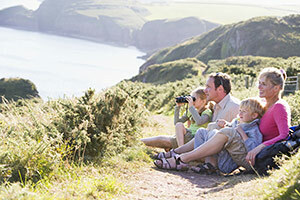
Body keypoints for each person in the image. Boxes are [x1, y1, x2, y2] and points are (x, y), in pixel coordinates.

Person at [153, 67, 290, 173]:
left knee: (228, 132)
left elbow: (284, 135)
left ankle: (181, 159)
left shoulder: (280, 106)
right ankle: (179, 154)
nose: (259, 87)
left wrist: (258, 148)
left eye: (264, 84)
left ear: (276, 88)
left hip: (257, 155)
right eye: (259, 83)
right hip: (248, 149)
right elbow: (249, 124)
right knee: (210, 128)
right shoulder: (264, 105)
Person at [141, 72, 240, 155]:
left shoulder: (234, 107)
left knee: (164, 140)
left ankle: (175, 152)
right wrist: (179, 108)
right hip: (200, 142)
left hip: (209, 149)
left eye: (208, 87)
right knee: (164, 139)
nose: (205, 91)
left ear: (220, 89)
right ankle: (140, 143)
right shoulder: (216, 105)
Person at [191, 98, 264, 174]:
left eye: (244, 111)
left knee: (214, 132)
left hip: (228, 162)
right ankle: (203, 158)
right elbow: (230, 128)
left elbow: (254, 149)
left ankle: (210, 165)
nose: (240, 114)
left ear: (254, 115)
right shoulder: (237, 121)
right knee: (201, 131)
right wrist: (225, 124)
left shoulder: (254, 130)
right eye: (240, 110)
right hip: (222, 153)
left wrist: (243, 134)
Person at [141, 87, 213, 151]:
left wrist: (191, 107)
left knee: (163, 140)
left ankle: (179, 150)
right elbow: (177, 123)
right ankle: (180, 149)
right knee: (175, 128)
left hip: (195, 139)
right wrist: (178, 107)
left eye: (193, 99)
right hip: (187, 137)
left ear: (203, 101)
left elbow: (199, 121)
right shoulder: (192, 111)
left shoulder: (207, 112)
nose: (191, 101)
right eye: (190, 98)